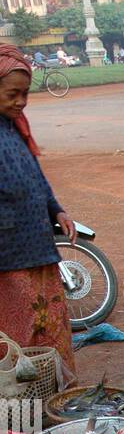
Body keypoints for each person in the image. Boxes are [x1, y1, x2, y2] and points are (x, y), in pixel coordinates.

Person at [0, 42, 77, 384]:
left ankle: (53, 394)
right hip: (8, 256)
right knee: (20, 334)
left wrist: (56, 208)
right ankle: (22, 404)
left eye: (25, 94)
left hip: (38, 248)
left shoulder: (16, 127)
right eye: (12, 94)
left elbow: (35, 176)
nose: (20, 102)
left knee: (50, 324)